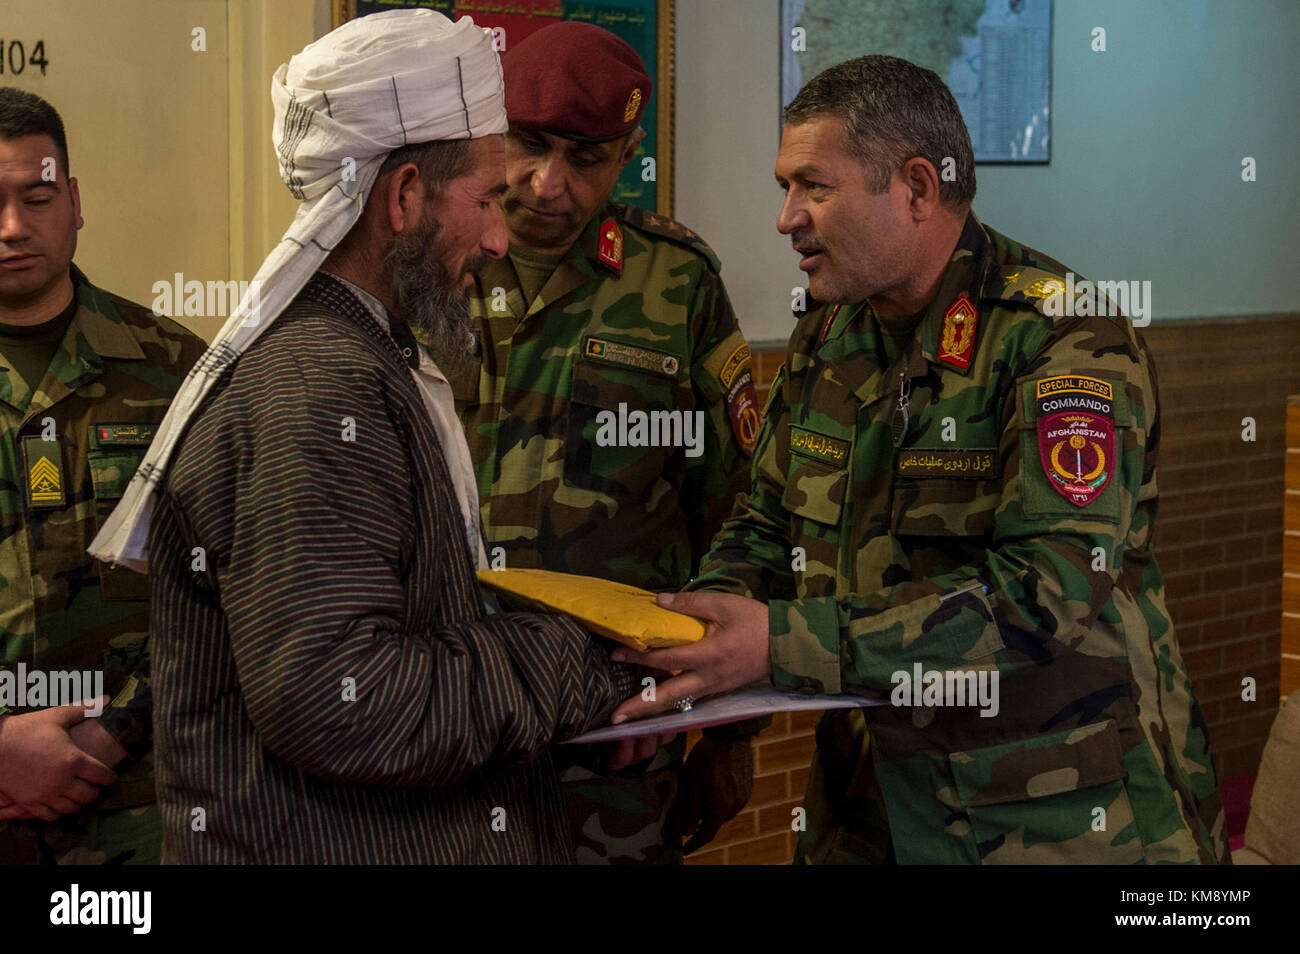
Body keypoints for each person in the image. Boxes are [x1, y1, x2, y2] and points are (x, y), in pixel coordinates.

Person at [611, 54, 1228, 865]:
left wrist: (775, 643)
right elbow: (765, 523)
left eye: (813, 186)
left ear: (914, 188)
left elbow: (1049, 593)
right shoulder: (830, 334)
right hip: (873, 805)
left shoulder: (1065, 340)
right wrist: (692, 634)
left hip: (1056, 817)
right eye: (783, 187)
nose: (786, 217)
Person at [90, 9, 639, 864]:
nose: (500, 238)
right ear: (405, 195)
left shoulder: (363, 356)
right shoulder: (318, 388)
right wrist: (581, 665)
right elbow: (345, 703)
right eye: (487, 199)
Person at [448, 21, 758, 863]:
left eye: (584, 159)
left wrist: (731, 731)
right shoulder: (435, 263)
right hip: (449, 703)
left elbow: (738, 509)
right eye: (529, 145)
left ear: (625, 157)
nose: (548, 185)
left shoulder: (677, 281)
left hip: (621, 718)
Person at [0, 88, 206, 864]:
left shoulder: (176, 368)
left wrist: (105, 736)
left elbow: (219, 586)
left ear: (75, 201)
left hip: (134, 809)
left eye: (38, 197)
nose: (13, 227)